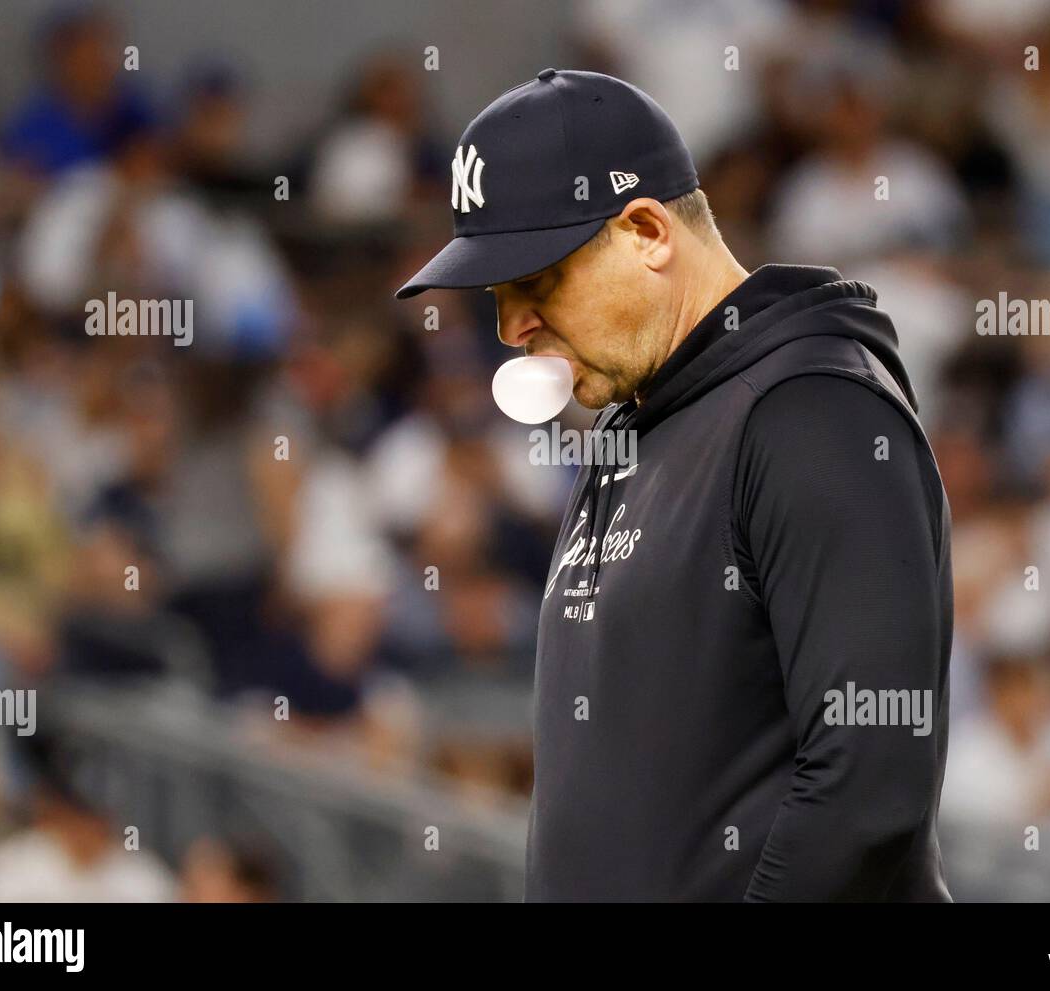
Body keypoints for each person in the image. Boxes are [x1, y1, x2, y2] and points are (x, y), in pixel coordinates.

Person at [396, 69, 953, 901]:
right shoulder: (639, 422)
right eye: (497, 293)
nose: (511, 326)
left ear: (649, 231)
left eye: (536, 280)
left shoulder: (815, 412)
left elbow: (868, 781)